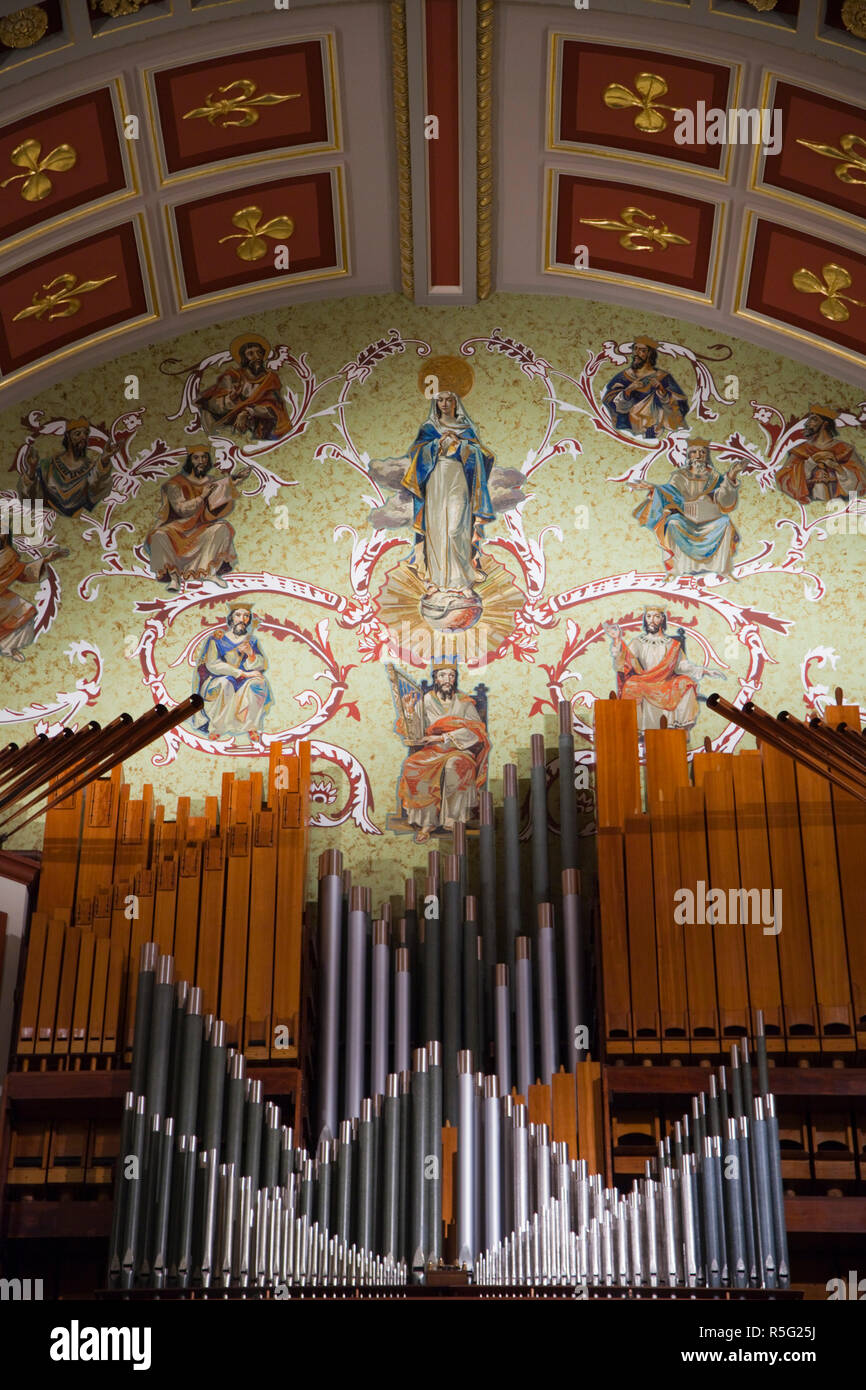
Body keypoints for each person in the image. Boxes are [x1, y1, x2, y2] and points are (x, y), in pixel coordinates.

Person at [399, 391, 495, 597]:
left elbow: (483, 455)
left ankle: (462, 581)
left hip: (458, 477)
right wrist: (436, 444)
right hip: (435, 479)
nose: (444, 403)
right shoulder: (428, 428)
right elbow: (416, 454)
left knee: (455, 528)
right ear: (435, 403)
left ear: (455, 402)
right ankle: (436, 579)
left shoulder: (466, 429)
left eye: (448, 399)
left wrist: (461, 445)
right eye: (440, 400)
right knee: (436, 528)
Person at [395, 659, 489, 842]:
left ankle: (452, 820)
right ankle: (427, 822)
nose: (448, 679)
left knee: (454, 765)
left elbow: (477, 731)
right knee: (413, 764)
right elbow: (415, 730)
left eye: (451, 675)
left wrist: (443, 737)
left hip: (459, 751)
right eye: (443, 675)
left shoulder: (464, 703)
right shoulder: (427, 700)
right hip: (433, 751)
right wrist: (409, 712)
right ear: (436, 678)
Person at [630, 439, 743, 577]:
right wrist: (654, 488)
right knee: (672, 523)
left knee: (724, 522)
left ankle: (723, 569)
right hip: (684, 518)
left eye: (702, 452)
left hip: (709, 518)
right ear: (689, 455)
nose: (699, 455)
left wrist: (731, 477)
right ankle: (676, 570)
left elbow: (725, 503)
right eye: (694, 452)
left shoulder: (714, 477)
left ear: (707, 456)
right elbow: (670, 493)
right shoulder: (680, 476)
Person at [604, 608, 724, 735]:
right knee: (631, 686)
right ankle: (636, 732)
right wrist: (617, 640)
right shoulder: (638, 642)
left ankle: (679, 731)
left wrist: (705, 671)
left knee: (686, 683)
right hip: (645, 680)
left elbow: (682, 666)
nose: (652, 620)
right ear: (645, 619)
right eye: (649, 616)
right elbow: (624, 662)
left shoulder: (672, 644)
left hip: (666, 681)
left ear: (662, 619)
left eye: (656, 616)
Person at [144, 449, 249, 592]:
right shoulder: (175, 484)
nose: (201, 461)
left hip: (200, 527)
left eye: (204, 457)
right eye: (196, 458)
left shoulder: (210, 482)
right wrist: (202, 496)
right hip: (175, 528)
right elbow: (181, 509)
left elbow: (216, 499)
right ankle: (174, 578)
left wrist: (234, 481)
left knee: (222, 528)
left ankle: (210, 572)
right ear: (189, 461)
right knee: (158, 536)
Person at [189, 602, 273, 745]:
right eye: (238, 615)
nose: (242, 619)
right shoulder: (217, 638)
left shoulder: (251, 640)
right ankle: (218, 728)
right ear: (231, 619)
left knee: (259, 682)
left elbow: (261, 664)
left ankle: (250, 725)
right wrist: (240, 672)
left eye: (246, 616)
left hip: (244, 680)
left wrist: (251, 655)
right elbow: (212, 664)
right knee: (225, 683)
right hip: (219, 678)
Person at [196, 333, 290, 440]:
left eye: (259, 352)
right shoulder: (232, 377)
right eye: (251, 354)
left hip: (258, 425)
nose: (257, 357)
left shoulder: (270, 379)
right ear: (243, 358)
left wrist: (247, 411)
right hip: (230, 428)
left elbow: (275, 407)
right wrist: (230, 398)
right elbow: (212, 406)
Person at [18, 418, 114, 517]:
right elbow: (29, 500)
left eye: (85, 434)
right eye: (77, 434)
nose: (83, 437)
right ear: (68, 436)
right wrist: (32, 468)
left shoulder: (93, 468)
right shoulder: (47, 466)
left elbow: (96, 491)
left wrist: (104, 459)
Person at [776, 406, 866, 505]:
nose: (806, 424)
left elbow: (861, 482)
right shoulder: (801, 450)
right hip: (811, 510)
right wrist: (811, 462)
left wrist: (838, 468)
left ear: (825, 423)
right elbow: (784, 481)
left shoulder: (845, 449)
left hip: (837, 508)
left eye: (813, 419)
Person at [602, 336, 689, 438]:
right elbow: (609, 398)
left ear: (649, 354)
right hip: (629, 427)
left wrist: (662, 392)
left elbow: (680, 404)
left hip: (654, 427)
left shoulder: (663, 377)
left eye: (642, 350)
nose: (636, 353)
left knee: (650, 437)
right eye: (635, 349)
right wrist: (628, 390)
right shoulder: (624, 376)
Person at [0, 533, 69, 661]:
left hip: (4, 600)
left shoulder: (6, 555)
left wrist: (46, 560)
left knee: (22, 615)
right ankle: (8, 649)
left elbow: (22, 572)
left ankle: (11, 648)